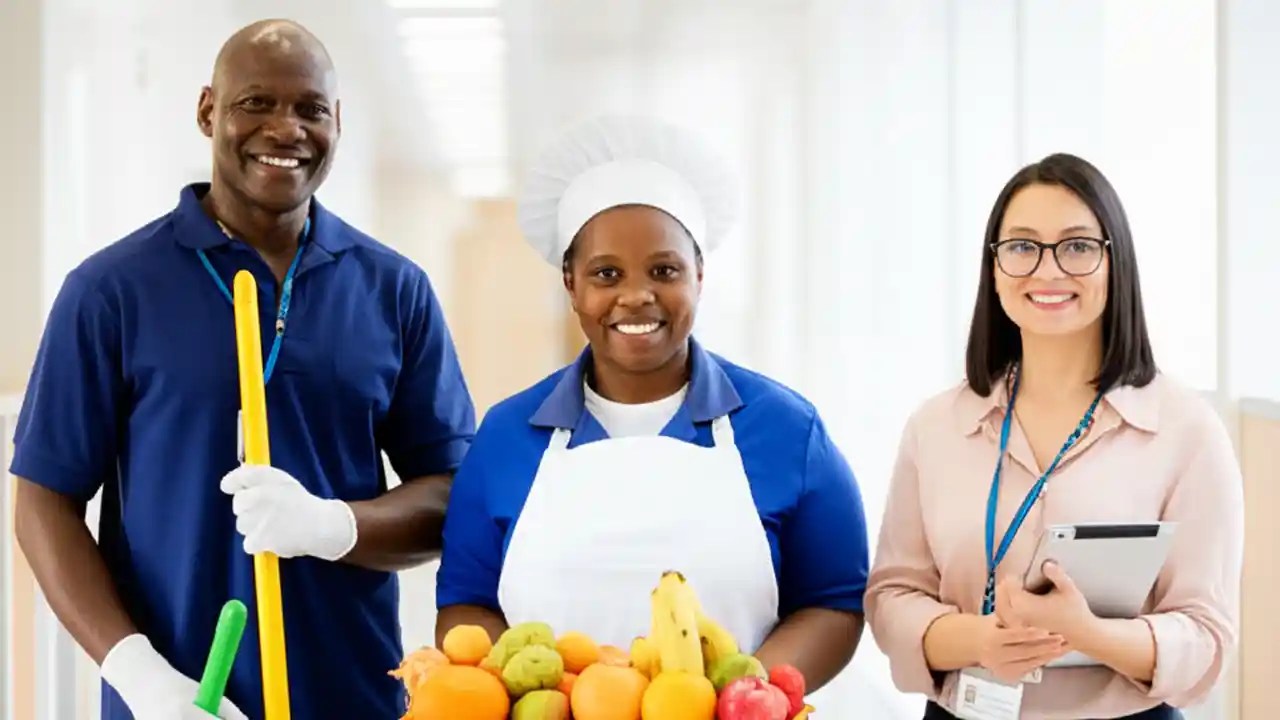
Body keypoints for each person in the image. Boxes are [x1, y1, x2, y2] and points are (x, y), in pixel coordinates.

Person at [11, 19, 475, 720]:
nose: (285, 129)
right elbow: (43, 502)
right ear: (208, 111)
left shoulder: (393, 290)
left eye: (310, 109)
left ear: (337, 123)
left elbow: (452, 494)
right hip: (178, 703)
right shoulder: (111, 291)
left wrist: (333, 525)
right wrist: (140, 676)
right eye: (256, 102)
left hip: (350, 695)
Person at [432, 115, 870, 691]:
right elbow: (465, 604)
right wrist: (529, 695)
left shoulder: (788, 429)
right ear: (571, 284)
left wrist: (748, 694)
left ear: (699, 276)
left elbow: (833, 601)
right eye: (606, 273)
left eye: (664, 271)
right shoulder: (507, 435)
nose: (636, 295)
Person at [864, 154, 1243, 720]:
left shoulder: (1187, 431)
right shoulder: (936, 426)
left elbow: (1206, 634)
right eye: (1022, 246)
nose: (1048, 270)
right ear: (994, 267)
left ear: (1116, 262)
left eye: (1077, 246)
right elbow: (892, 597)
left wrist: (1086, 633)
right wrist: (980, 639)